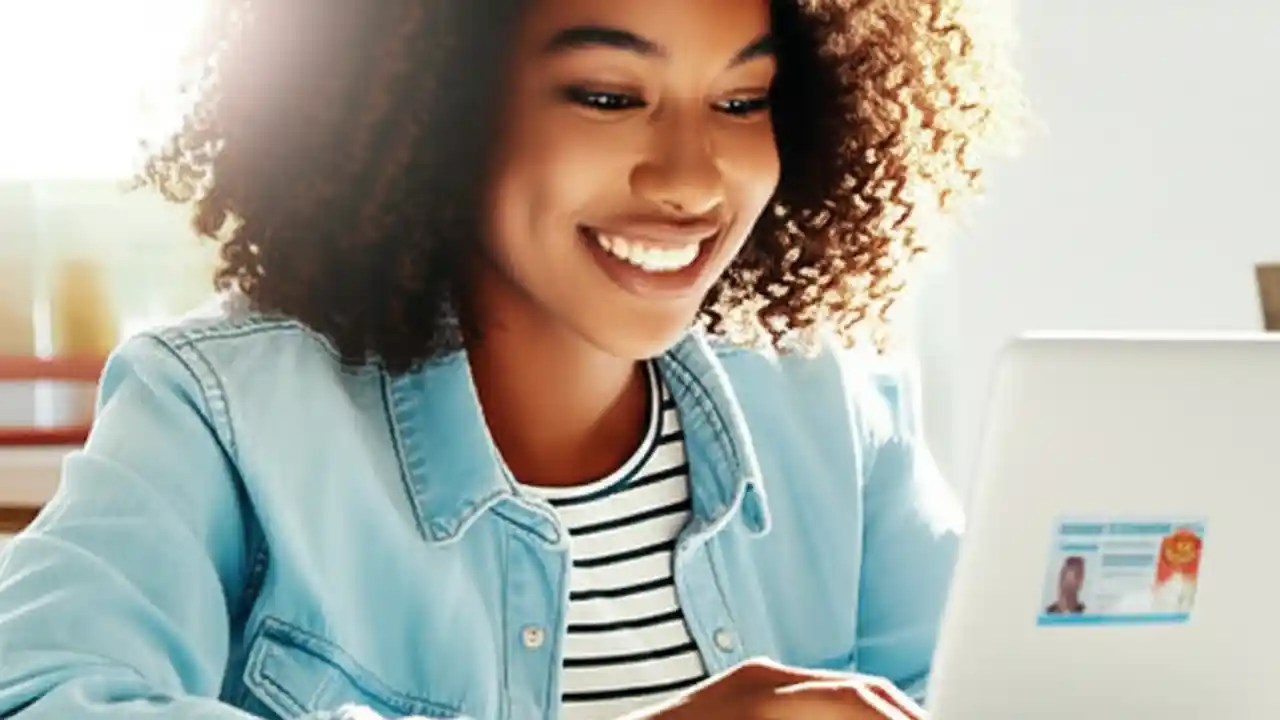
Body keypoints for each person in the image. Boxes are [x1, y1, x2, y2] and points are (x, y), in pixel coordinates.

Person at [0, 0, 1016, 718]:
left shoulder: (830, 409)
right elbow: (44, 696)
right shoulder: (218, 409)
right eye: (608, 97)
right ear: (442, 113)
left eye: (742, 101)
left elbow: (986, 691)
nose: (689, 180)